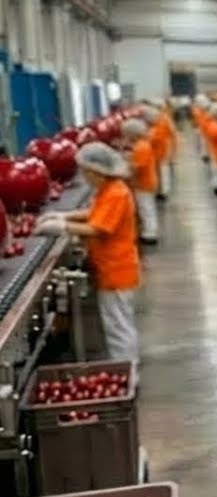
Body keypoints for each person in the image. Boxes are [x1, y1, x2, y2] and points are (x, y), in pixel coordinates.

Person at [33, 142, 140, 363]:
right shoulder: (110, 188)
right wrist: (66, 215)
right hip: (112, 269)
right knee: (117, 322)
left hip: (116, 272)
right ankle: (127, 366)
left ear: (96, 172)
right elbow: (95, 212)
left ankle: (128, 369)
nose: (83, 176)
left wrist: (63, 227)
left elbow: (97, 229)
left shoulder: (117, 193)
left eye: (85, 172)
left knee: (118, 326)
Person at [121, 118, 160, 245]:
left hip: (144, 183)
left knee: (146, 208)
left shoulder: (141, 147)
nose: (124, 136)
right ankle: (148, 230)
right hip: (145, 182)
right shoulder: (142, 144)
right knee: (146, 208)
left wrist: (124, 174)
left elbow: (136, 168)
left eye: (126, 133)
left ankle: (150, 234)